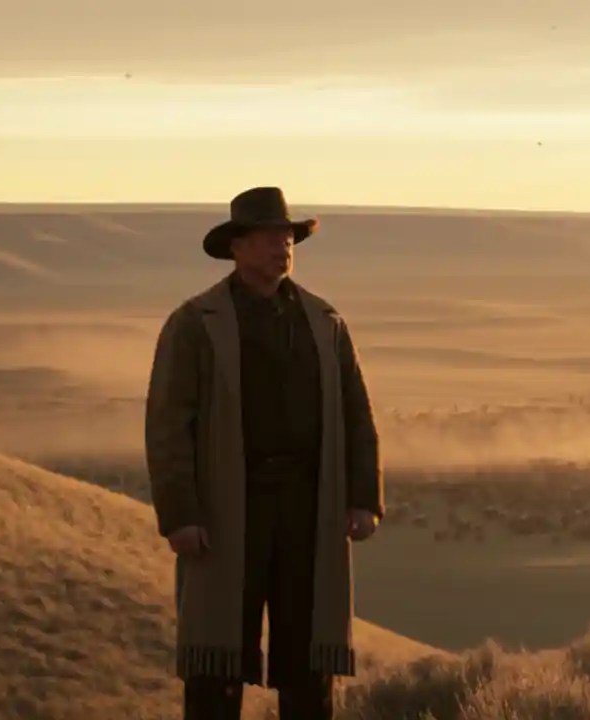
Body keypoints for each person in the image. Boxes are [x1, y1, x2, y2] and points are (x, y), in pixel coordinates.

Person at [144, 186, 384, 720]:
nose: (283, 246)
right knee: (216, 664)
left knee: (308, 664)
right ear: (238, 247)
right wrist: (181, 514)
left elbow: (356, 416)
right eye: (270, 236)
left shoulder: (326, 323)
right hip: (228, 510)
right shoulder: (195, 324)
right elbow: (167, 425)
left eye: (288, 236)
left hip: (307, 509)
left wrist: (363, 498)